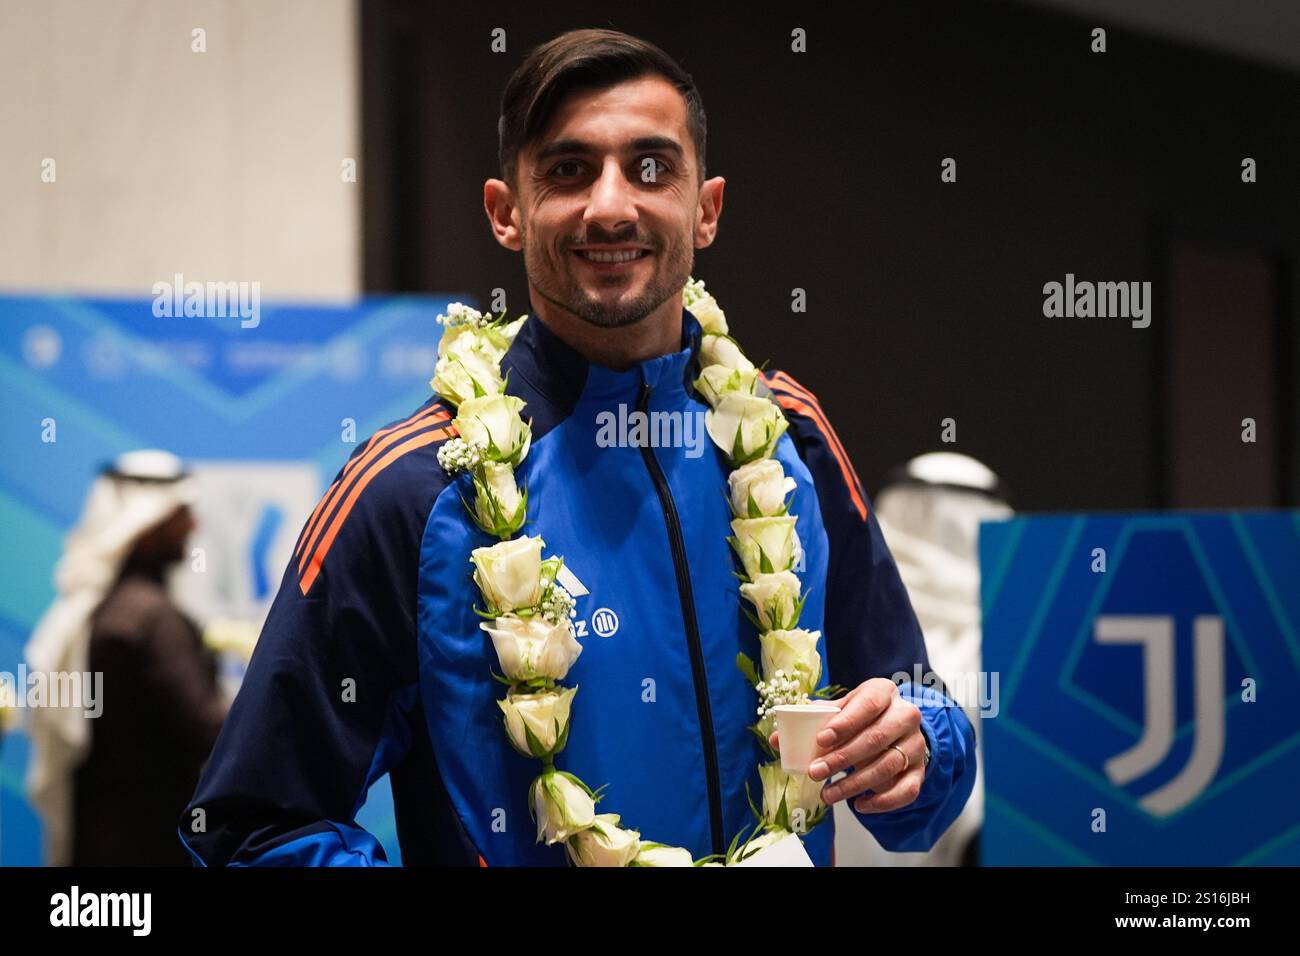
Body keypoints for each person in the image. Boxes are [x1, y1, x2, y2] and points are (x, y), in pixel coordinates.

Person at [183, 28, 976, 866]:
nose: (610, 205)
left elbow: (915, 727)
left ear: (705, 209)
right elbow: (248, 823)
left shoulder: (790, 440)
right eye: (568, 171)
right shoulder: (411, 491)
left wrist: (919, 746)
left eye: (650, 167)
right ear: (505, 213)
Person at [26, 450, 227, 866]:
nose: (192, 526)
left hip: (98, 843)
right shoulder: (151, 619)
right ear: (148, 522)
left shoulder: (102, 610)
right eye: (181, 514)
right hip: (149, 846)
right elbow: (210, 727)